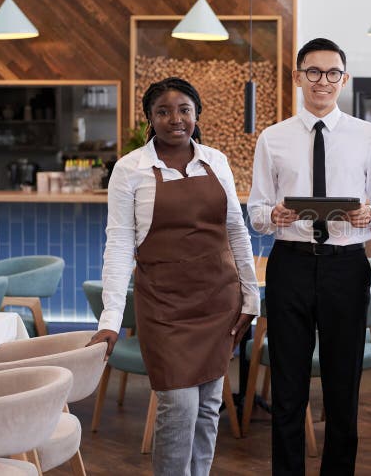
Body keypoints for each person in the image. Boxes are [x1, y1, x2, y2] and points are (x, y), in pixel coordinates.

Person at [87, 77, 260, 476]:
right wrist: (110, 320)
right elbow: (117, 246)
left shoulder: (216, 161)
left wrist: (251, 298)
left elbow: (236, 230)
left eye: (184, 109)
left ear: (197, 114)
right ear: (149, 118)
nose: (175, 119)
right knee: (178, 407)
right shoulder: (130, 169)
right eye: (163, 111)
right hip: (164, 307)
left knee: (208, 408)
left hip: (218, 301)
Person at [247, 37, 371, 475]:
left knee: (342, 386)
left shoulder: (369, 137)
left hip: (346, 266)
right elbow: (255, 213)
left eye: (333, 73)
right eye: (313, 72)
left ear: (344, 80)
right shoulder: (273, 139)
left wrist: (370, 213)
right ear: (298, 77)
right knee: (288, 387)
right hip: (290, 261)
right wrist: (273, 214)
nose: (323, 81)